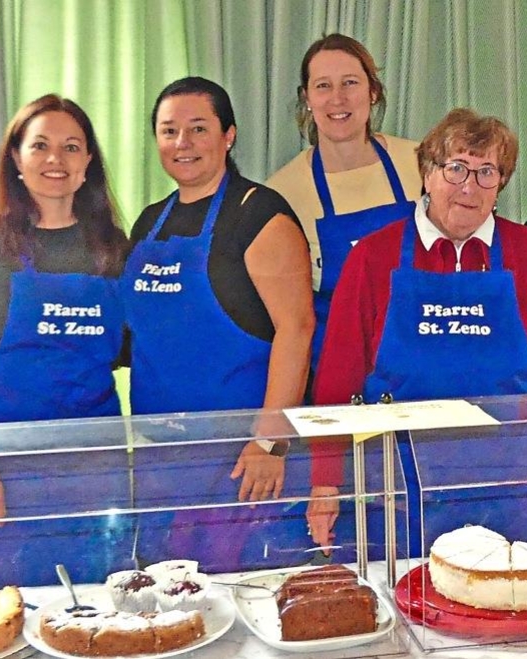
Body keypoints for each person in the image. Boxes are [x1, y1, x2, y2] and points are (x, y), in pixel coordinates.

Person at [309, 108, 527, 550]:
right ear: (427, 172)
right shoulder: (373, 257)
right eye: (456, 168)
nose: (469, 187)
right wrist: (326, 482)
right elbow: (338, 375)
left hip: (512, 485)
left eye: (486, 172)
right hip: (400, 490)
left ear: (500, 184)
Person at [0, 94, 130, 584]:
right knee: (9, 602)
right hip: (6, 467)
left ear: (88, 163)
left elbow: (134, 352)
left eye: (70, 146)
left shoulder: (114, 250)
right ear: (16, 159)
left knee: (102, 597)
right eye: (39, 145)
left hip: (94, 460)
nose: (54, 159)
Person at [123, 77, 314, 570]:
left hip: (241, 461)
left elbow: (297, 329)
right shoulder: (148, 223)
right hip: (163, 461)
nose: (182, 144)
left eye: (198, 129)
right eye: (169, 131)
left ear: (228, 135)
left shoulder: (262, 215)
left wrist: (269, 441)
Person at [267, 34, 421, 373]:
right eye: (323, 86)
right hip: (335, 376)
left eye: (350, 82)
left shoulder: (420, 163)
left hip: (419, 368)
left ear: (373, 91)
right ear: (307, 98)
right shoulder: (281, 193)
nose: (338, 98)